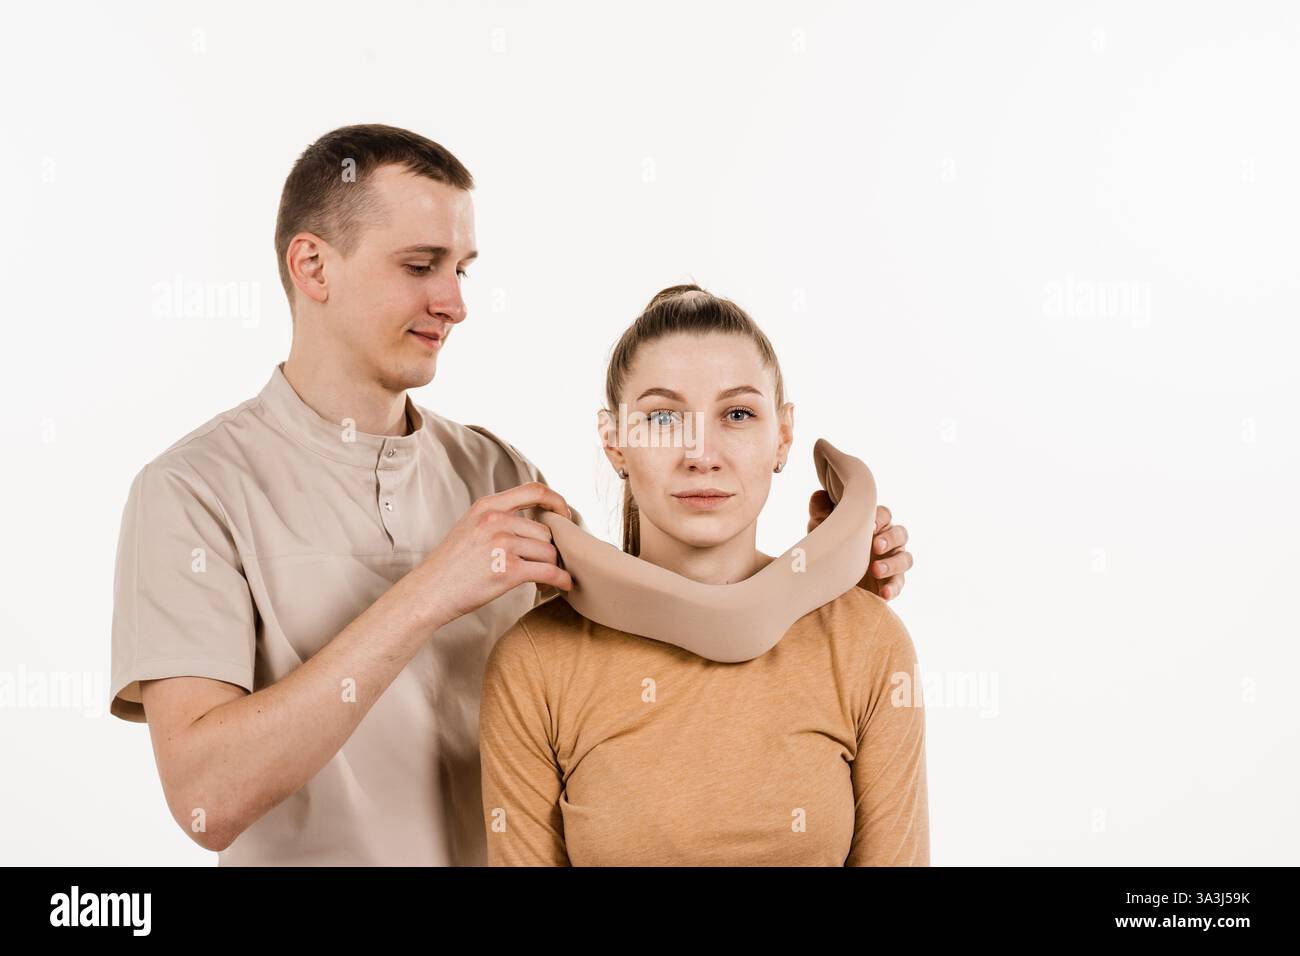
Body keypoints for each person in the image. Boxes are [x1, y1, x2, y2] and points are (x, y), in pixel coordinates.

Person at [109, 124, 915, 865]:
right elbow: (206, 803)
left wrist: (812, 588)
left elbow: (638, 631)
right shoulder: (190, 494)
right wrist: (429, 593)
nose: (454, 303)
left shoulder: (496, 473)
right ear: (312, 265)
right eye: (420, 266)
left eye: (461, 270)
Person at [479, 286, 928, 866]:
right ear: (614, 442)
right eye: (663, 417)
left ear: (782, 436)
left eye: (737, 414)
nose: (701, 453)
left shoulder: (868, 642)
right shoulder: (534, 662)